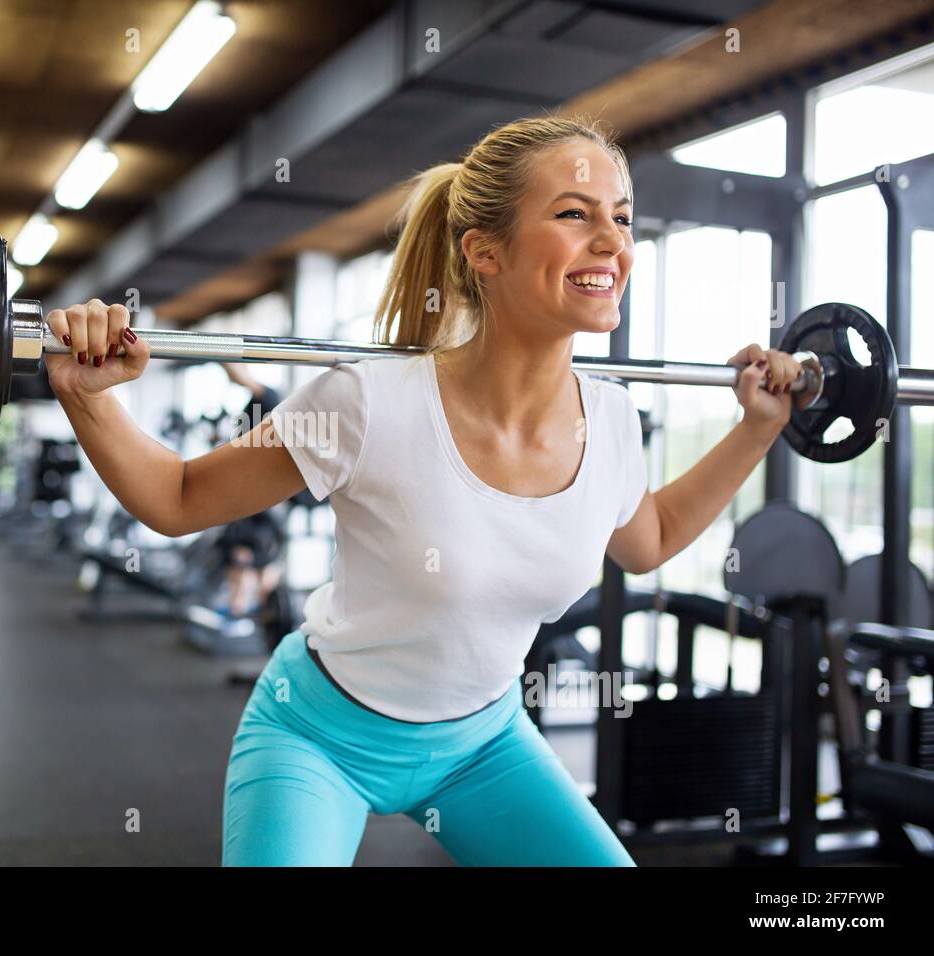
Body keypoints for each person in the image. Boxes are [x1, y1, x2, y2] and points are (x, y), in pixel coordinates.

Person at [42, 115, 803, 867]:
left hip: (484, 746)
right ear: (485, 251)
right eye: (575, 214)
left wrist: (758, 428)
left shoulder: (608, 421)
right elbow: (178, 498)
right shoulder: (366, 402)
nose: (613, 241)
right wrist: (86, 396)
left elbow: (650, 540)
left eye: (623, 217)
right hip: (317, 737)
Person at [211, 363, 286, 619]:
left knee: (251, 560)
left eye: (232, 371)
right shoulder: (251, 409)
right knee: (239, 556)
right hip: (249, 495)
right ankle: (241, 611)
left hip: (264, 501)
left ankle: (252, 611)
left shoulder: (269, 399)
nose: (230, 376)